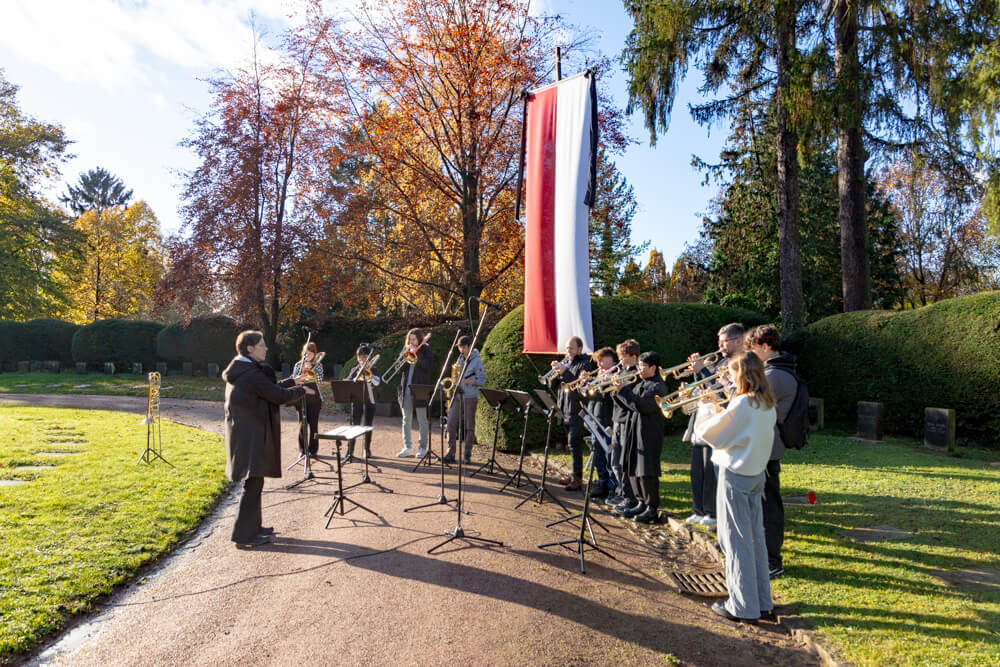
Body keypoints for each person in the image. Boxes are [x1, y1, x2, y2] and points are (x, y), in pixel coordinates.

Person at [694, 352, 777, 623]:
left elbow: (711, 435)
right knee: (755, 540)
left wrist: (707, 407)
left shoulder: (742, 403)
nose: (727, 376)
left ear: (742, 374)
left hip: (736, 476)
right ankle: (762, 602)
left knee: (735, 541)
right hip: (755, 475)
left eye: (730, 372)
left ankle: (741, 605)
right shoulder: (765, 402)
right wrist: (720, 405)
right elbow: (739, 430)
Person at [222, 330, 312, 548]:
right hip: (249, 435)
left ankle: (254, 528)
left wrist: (292, 381)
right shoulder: (249, 373)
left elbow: (268, 389)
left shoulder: (245, 369)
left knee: (256, 481)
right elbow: (277, 396)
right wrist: (300, 390)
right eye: (262, 345)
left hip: (248, 433)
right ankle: (243, 536)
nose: (266, 348)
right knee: (252, 484)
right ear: (250, 348)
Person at [745, 323, 799, 579]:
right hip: (762, 445)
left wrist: (732, 385)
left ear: (765, 347)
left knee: (769, 506)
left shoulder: (776, 375)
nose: (751, 354)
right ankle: (762, 555)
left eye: (753, 348)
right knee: (760, 504)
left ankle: (772, 560)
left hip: (768, 447)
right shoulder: (770, 371)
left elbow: (753, 406)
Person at [682, 322, 745, 528]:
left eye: (724, 341)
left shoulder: (743, 363)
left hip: (722, 426)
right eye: (719, 341)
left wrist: (703, 371)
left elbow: (725, 395)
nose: (720, 345)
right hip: (703, 422)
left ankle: (712, 511)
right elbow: (707, 388)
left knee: (712, 472)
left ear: (738, 340)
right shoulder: (720, 363)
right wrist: (697, 373)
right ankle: (699, 509)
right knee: (697, 470)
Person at [612, 351, 668, 523]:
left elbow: (643, 406)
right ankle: (640, 501)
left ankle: (651, 507)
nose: (639, 369)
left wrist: (624, 392)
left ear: (653, 368)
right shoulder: (640, 383)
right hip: (634, 429)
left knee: (646, 470)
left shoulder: (657, 387)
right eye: (639, 365)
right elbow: (630, 405)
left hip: (649, 432)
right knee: (632, 466)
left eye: (643, 366)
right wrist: (617, 392)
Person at [546, 336, 596, 490]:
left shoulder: (584, 364)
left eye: (571, 348)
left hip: (576, 409)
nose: (568, 351)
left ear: (580, 349)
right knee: (570, 443)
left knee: (575, 443)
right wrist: (556, 373)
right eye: (567, 348)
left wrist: (565, 372)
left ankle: (578, 478)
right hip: (563, 408)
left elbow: (578, 386)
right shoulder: (566, 362)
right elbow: (551, 385)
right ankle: (574, 474)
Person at [606, 339, 640, 509]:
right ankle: (622, 491)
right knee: (615, 461)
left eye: (622, 356)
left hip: (627, 421)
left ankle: (630, 496)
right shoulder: (622, 372)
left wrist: (621, 389)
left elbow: (631, 401)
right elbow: (618, 400)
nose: (620, 360)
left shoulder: (636, 375)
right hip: (617, 419)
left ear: (633, 356)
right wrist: (614, 390)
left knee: (623, 461)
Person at [443, 335, 487, 464]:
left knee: (469, 426)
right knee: (450, 423)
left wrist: (465, 381)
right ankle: (450, 453)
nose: (460, 350)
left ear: (468, 346)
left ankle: (467, 454)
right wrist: (454, 382)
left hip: (470, 396)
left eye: (462, 347)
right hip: (457, 395)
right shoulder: (460, 358)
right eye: (459, 347)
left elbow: (482, 380)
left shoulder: (477, 361)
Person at [586, 347, 618, 498]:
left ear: (611, 359)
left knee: (609, 456)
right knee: (598, 455)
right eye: (598, 361)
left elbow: (607, 397)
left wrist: (603, 384)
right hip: (596, 419)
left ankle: (612, 487)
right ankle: (602, 483)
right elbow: (589, 395)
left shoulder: (617, 375)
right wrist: (586, 383)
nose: (599, 364)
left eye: (602, 360)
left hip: (609, 420)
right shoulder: (599, 375)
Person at [397, 328, 434, 458]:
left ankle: (422, 448)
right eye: (410, 339)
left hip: (419, 391)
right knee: (406, 420)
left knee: (422, 420)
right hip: (406, 390)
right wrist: (406, 354)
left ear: (419, 339)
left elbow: (428, 367)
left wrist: (417, 355)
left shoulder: (426, 350)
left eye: (414, 339)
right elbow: (398, 369)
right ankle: (407, 447)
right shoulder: (406, 350)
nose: (411, 341)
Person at [345, 343, 381, 463]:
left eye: (365, 357)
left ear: (369, 358)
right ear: (357, 358)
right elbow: (348, 383)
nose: (362, 360)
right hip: (356, 401)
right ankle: (350, 450)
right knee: (354, 425)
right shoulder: (354, 369)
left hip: (370, 400)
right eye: (360, 358)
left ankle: (367, 449)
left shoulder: (374, 369)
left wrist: (369, 374)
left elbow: (377, 383)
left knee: (367, 425)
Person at [291, 341, 323, 458]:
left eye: (310, 354)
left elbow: (319, 379)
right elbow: (293, 378)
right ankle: (302, 450)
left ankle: (313, 450)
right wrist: (302, 371)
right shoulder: (298, 365)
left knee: (313, 425)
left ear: (314, 354)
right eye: (305, 353)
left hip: (314, 399)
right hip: (300, 398)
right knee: (302, 424)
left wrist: (312, 370)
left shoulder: (318, 365)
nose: (307, 356)